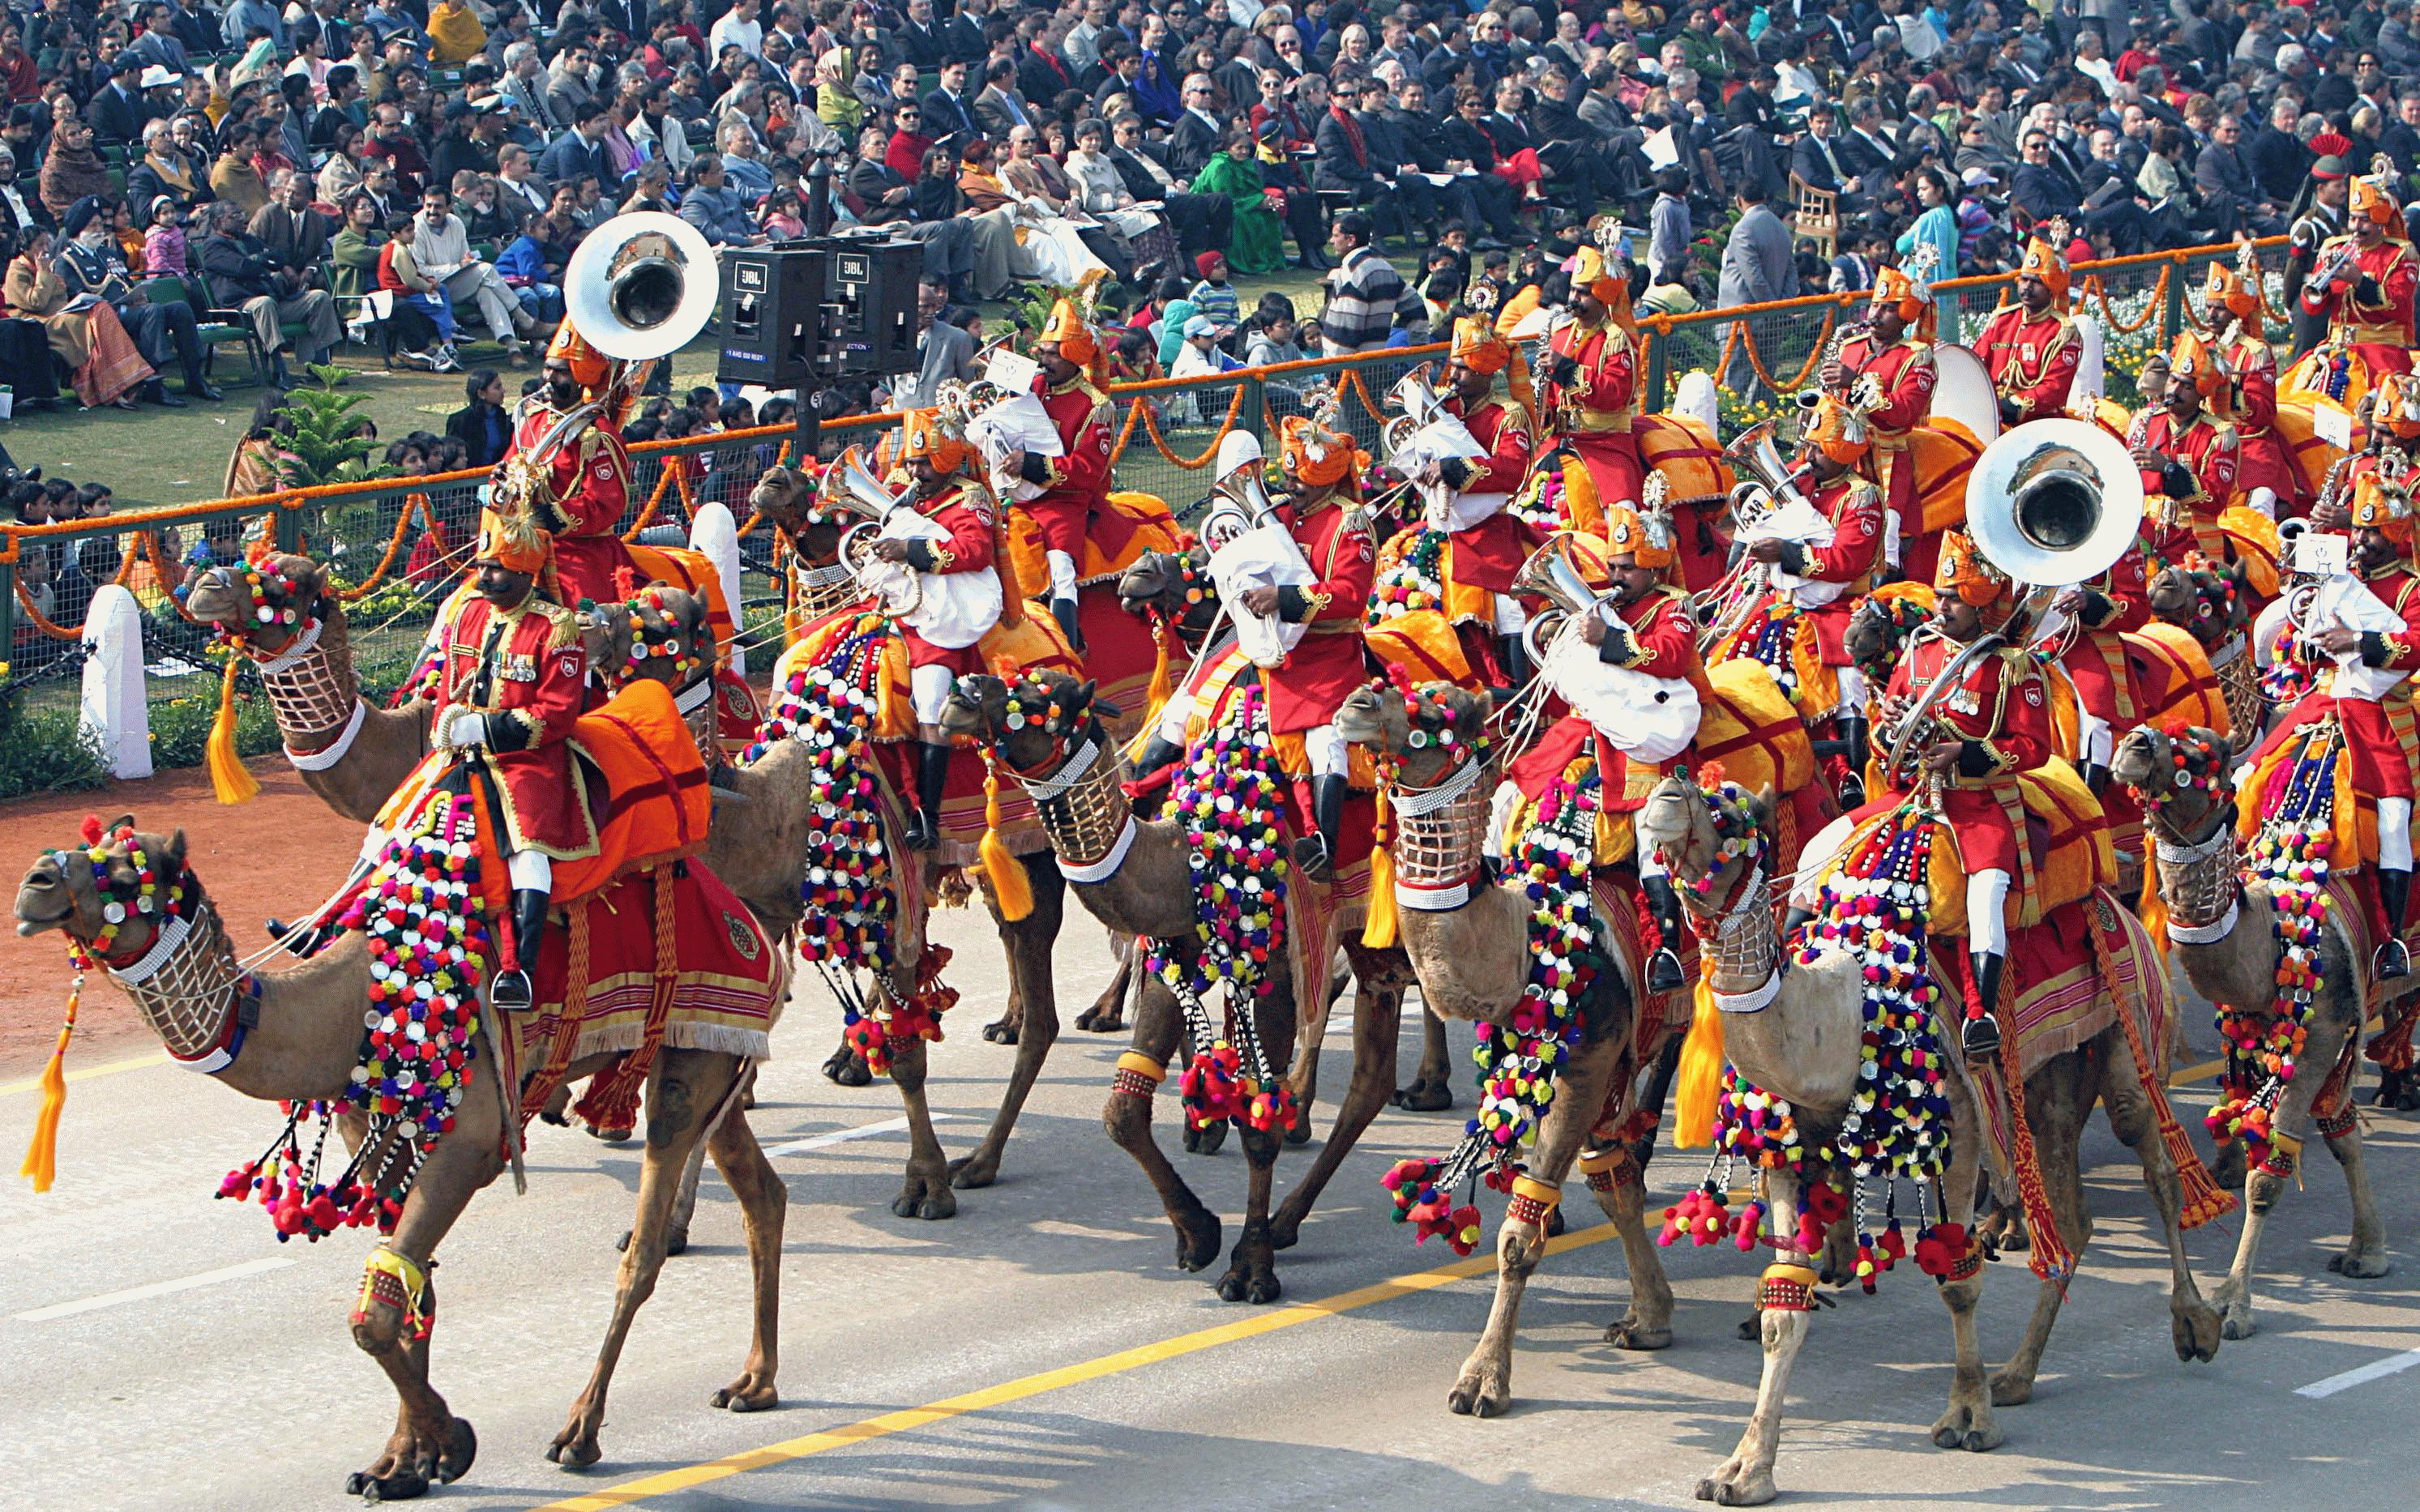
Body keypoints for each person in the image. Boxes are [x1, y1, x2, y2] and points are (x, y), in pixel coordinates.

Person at [1875, 529, 2055, 1057]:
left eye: (1954, 599)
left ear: (1980, 605)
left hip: (1980, 802)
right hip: (1914, 798)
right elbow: (1890, 717)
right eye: (1941, 595)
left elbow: (2034, 747)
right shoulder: (1919, 650)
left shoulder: (2012, 665)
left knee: (1987, 891)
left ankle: (1982, 1016)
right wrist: (1886, 723)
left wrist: (1967, 754)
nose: (1942, 606)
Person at [2247, 468, 2420, 977]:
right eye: (2360, 532)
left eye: (2373, 534)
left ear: (2396, 537)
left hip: (2383, 714)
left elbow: (2414, 645)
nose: (2362, 542)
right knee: (2250, 775)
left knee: (2392, 816)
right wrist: (2308, 638)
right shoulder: (2341, 578)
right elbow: (2305, 642)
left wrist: (2361, 644)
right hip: (2324, 702)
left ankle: (2391, 939)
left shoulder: (2411, 588)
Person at [422, 503, 593, 1008]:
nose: (484, 577)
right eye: (482, 567)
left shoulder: (557, 627)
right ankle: (329, 923)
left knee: (528, 853)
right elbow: (451, 685)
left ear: (525, 574)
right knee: (391, 821)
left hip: (528, 761)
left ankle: (522, 971)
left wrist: (485, 727)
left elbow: (557, 715)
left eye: (496, 570)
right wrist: (448, 723)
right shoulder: (470, 612)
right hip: (460, 752)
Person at [1709, 390, 1890, 803]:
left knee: (1849, 682)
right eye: (1806, 445)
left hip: (1844, 603)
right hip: (1787, 599)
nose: (1806, 455)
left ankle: (1851, 766)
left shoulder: (1861, 496)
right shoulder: (1801, 479)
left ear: (1840, 451)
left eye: (1817, 448)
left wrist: (1787, 553)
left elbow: (1846, 561)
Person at [1234, 412, 1375, 882]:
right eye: (1287, 473)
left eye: (1298, 477)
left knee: (1325, 740)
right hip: (1277, 647)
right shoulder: (1283, 514)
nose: (1289, 483)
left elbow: (1352, 595)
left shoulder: (1348, 522)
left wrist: (1285, 599)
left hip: (1330, 654)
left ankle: (1324, 843)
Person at [872, 403, 1007, 849]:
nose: (915, 471)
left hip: (941, 621)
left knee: (929, 700)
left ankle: (925, 814)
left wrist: (910, 549)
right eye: (911, 462)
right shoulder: (902, 493)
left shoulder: (972, 497)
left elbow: (974, 553)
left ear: (947, 460)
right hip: (895, 608)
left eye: (925, 463)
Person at [1015, 287, 1127, 648]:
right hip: (1016, 491)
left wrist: (1030, 465)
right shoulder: (1032, 386)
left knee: (1062, 567)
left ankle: (1068, 641)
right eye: (1042, 352)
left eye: (1051, 355)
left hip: (1065, 501)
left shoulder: (1096, 407)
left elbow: (1086, 472)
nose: (1042, 361)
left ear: (1073, 359)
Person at [1824, 251, 1941, 577]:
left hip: (1887, 461)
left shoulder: (1918, 357)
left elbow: (1903, 413)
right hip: (1839, 453)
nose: (1877, 314)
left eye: (1889, 309)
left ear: (1904, 318)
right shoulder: (1852, 346)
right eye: (1876, 305)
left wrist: (1854, 382)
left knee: (1886, 546)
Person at [2285, 156, 2419, 408]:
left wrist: (2358, 281)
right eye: (2353, 219)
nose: (2356, 227)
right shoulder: (2334, 247)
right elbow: (2312, 307)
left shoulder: (2400, 253)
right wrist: (2322, 284)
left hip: (2380, 352)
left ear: (2380, 222)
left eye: (2364, 220)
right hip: (2336, 348)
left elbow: (2399, 305)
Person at [1542, 241, 1640, 530]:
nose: (1574, 298)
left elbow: (1615, 395)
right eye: (1573, 290)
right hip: (1560, 441)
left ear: (1602, 297)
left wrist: (1567, 371)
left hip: (1605, 443)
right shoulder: (1560, 335)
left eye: (1583, 293)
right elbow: (1550, 397)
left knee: (1622, 515)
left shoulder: (1616, 340)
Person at [3, 223, 155, 408]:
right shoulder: (17, 271)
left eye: (47, 244)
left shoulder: (45, 266)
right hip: (38, 323)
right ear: (25, 248)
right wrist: (43, 273)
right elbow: (36, 303)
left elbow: (60, 295)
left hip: (61, 317)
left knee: (100, 309)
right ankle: (121, 379)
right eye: (39, 245)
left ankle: (119, 380)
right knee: (97, 315)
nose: (45, 250)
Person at [411, 181, 537, 362]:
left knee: (487, 292)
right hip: (434, 289)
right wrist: (458, 267)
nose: (431, 211)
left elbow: (466, 258)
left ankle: (513, 348)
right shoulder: (417, 226)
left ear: (449, 207)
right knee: (485, 269)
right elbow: (421, 270)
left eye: (438, 206)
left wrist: (463, 265)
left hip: (461, 282)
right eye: (428, 205)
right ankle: (523, 318)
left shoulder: (456, 223)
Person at [1977, 224, 2083, 425]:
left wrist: (2013, 405)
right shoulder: (2002, 320)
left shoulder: (2063, 333)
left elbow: (2055, 388)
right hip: (1990, 413)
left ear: (2051, 288)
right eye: (2024, 280)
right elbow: (1977, 362)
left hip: (2036, 421)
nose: (2027, 287)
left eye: (2036, 282)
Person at [1715, 182, 1798, 399]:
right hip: (1772, 319)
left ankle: (1730, 430)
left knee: (1733, 386)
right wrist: (1781, 308)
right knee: (1763, 386)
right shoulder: (1781, 227)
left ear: (1738, 199)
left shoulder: (1744, 228)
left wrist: (1770, 308)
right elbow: (1791, 274)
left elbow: (1754, 277)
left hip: (1743, 320)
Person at [1185, 125, 1282, 275]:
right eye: (1239, 148)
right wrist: (1257, 203)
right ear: (1228, 148)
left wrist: (1265, 201)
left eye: (1247, 148)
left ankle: (1264, 259)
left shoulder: (1246, 163)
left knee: (1269, 215)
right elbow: (1224, 198)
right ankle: (1238, 263)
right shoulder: (1221, 166)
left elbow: (1253, 191)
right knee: (1243, 218)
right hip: (1208, 207)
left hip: (1238, 203)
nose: (1244, 152)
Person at [445, 366, 511, 467]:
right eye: (497, 387)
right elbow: (452, 457)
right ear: (481, 394)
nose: (503, 390)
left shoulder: (500, 415)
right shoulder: (460, 420)